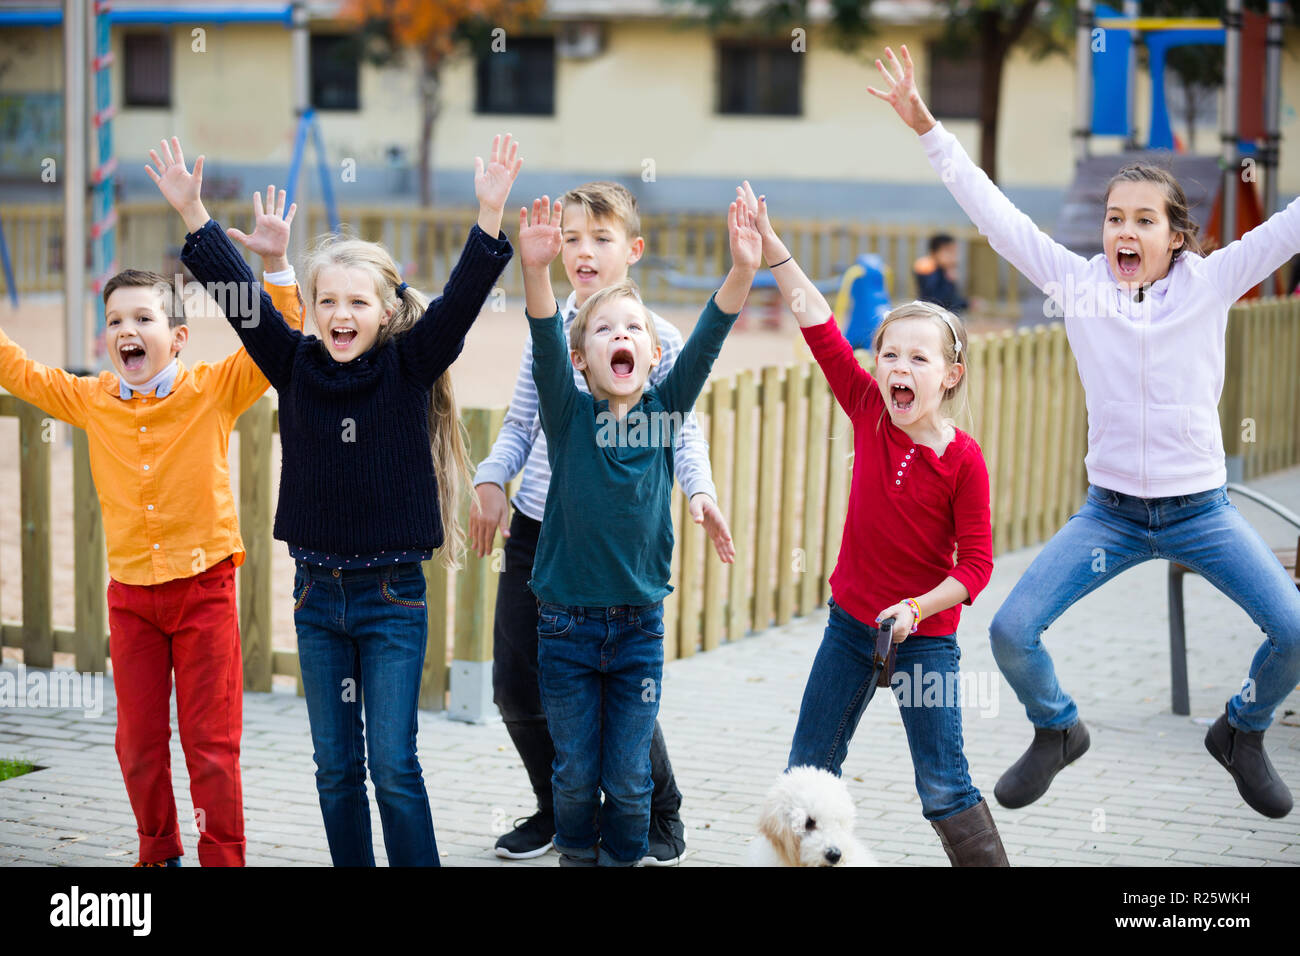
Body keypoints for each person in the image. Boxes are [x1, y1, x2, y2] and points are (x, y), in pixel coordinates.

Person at [872, 44, 1300, 819]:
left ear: (1176, 236)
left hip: (1202, 510)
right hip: (1110, 514)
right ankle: (1057, 729)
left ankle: (1242, 730)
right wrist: (928, 128)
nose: (1122, 232)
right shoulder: (1078, 283)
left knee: (1296, 630)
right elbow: (995, 217)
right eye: (1113, 219)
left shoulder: (1212, 283)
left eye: (1143, 221)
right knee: (1011, 632)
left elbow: (1287, 230)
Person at [152, 133, 518, 863]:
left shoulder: (409, 365)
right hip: (317, 596)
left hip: (391, 597)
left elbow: (462, 302)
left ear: (385, 312)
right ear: (313, 310)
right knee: (334, 770)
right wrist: (193, 211)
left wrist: (490, 214)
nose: (341, 314)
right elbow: (244, 302)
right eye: (328, 301)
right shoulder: (293, 364)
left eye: (357, 302)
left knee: (392, 765)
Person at [0, 177, 304, 866]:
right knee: (136, 743)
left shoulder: (213, 390)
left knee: (210, 744)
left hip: (204, 591)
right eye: (114, 322)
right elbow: (17, 369)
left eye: (142, 318)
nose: (126, 332)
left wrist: (278, 269)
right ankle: (156, 850)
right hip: (131, 598)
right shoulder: (91, 398)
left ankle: (222, 855)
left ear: (179, 337)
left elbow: (276, 341)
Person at [735, 182, 1005, 865]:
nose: (900, 368)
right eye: (890, 354)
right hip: (849, 627)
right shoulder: (867, 409)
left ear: (950, 375)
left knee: (943, 786)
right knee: (805, 778)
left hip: (926, 641)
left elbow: (975, 568)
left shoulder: (962, 461)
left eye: (920, 357)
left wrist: (916, 607)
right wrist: (777, 254)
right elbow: (821, 326)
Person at [470, 182, 734, 864]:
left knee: (624, 701)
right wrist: (493, 477)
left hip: (619, 552)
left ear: (633, 250)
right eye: (572, 237)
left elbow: (683, 428)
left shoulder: (660, 339)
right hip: (543, 534)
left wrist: (700, 491)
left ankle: (654, 810)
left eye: (601, 237)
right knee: (516, 683)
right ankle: (561, 808)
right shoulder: (554, 333)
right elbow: (523, 421)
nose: (583, 251)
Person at [913, 233, 969, 312]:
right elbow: (936, 299)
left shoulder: (944, 269)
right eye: (948, 251)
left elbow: (952, 300)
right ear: (934, 252)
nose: (953, 256)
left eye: (954, 252)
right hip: (931, 313)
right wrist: (949, 281)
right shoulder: (927, 269)